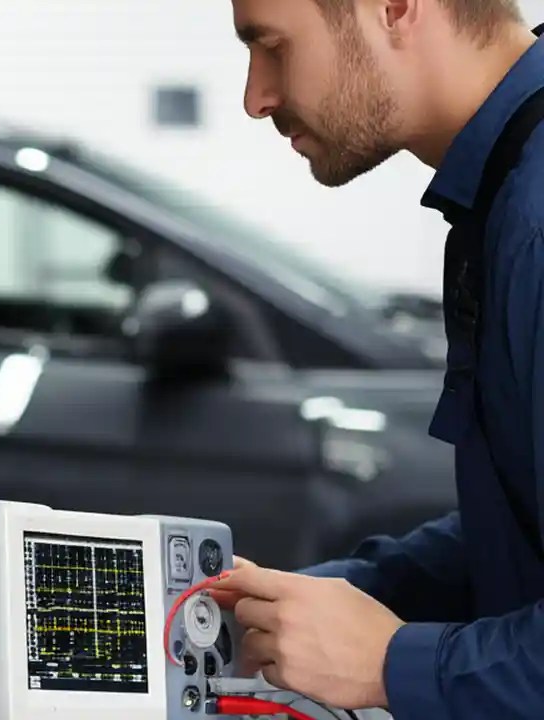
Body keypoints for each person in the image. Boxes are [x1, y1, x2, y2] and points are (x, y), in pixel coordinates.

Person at [208, 0, 544, 718]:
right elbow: (522, 532)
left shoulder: (538, 221)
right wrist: (329, 600)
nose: (255, 96)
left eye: (271, 45)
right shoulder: (504, 193)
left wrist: (394, 663)